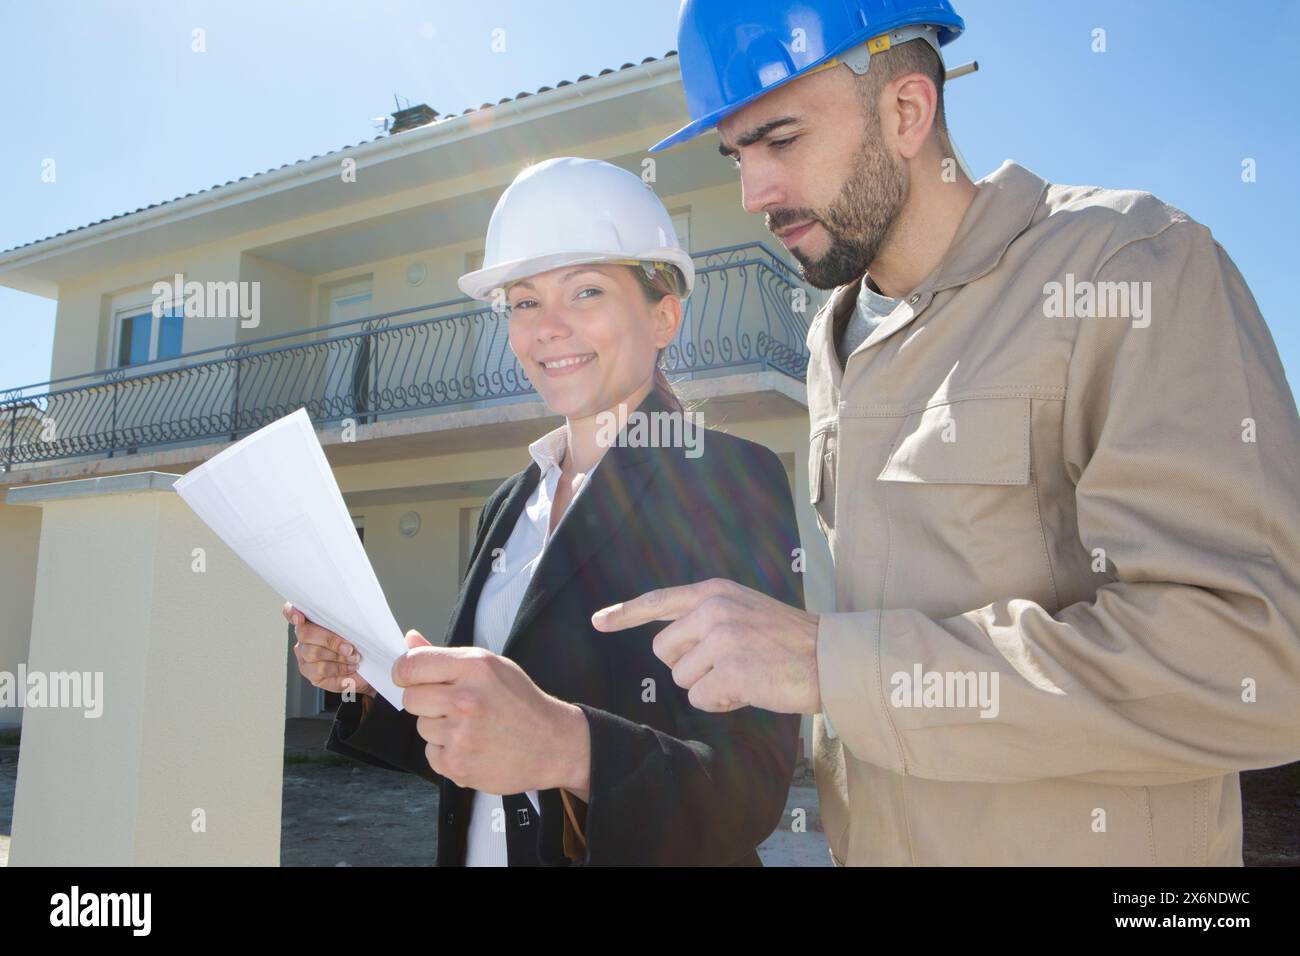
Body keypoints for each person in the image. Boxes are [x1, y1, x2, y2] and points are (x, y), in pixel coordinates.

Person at [592, 0, 1300, 865]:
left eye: (780, 140)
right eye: (735, 156)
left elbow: (1257, 662)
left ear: (907, 112)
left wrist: (829, 667)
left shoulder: (1131, 266)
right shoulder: (832, 340)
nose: (754, 194)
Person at [286, 156, 804, 865]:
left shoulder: (727, 478)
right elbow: (468, 750)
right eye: (525, 302)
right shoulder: (511, 502)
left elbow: (747, 792)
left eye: (585, 292)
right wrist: (367, 685)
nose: (548, 328)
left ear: (664, 315)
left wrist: (568, 748)